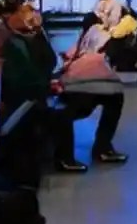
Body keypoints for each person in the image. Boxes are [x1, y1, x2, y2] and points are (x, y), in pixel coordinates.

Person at [53, 18, 128, 172]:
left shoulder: (87, 36)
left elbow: (68, 55)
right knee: (113, 97)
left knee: (111, 97)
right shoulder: (104, 34)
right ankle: (101, 148)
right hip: (75, 85)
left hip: (69, 80)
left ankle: (102, 148)